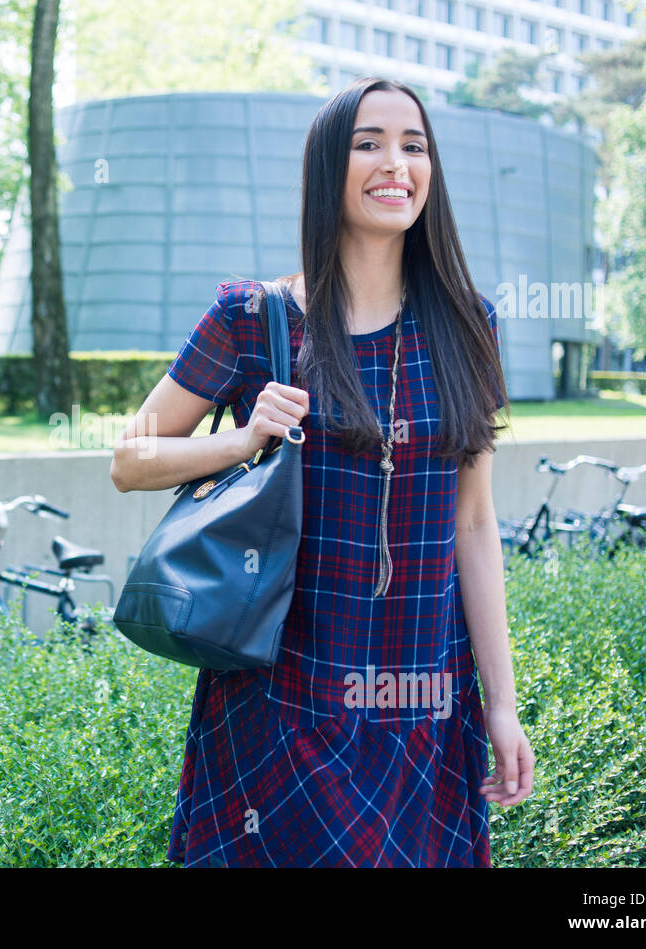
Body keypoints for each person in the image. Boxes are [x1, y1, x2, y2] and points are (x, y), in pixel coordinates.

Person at [110, 76, 535, 867]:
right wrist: (242, 441)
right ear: (326, 168)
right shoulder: (253, 317)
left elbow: (473, 523)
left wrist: (502, 706)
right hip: (279, 702)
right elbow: (130, 459)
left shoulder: (470, 326)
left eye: (414, 146)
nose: (394, 163)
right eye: (368, 143)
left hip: (423, 702)